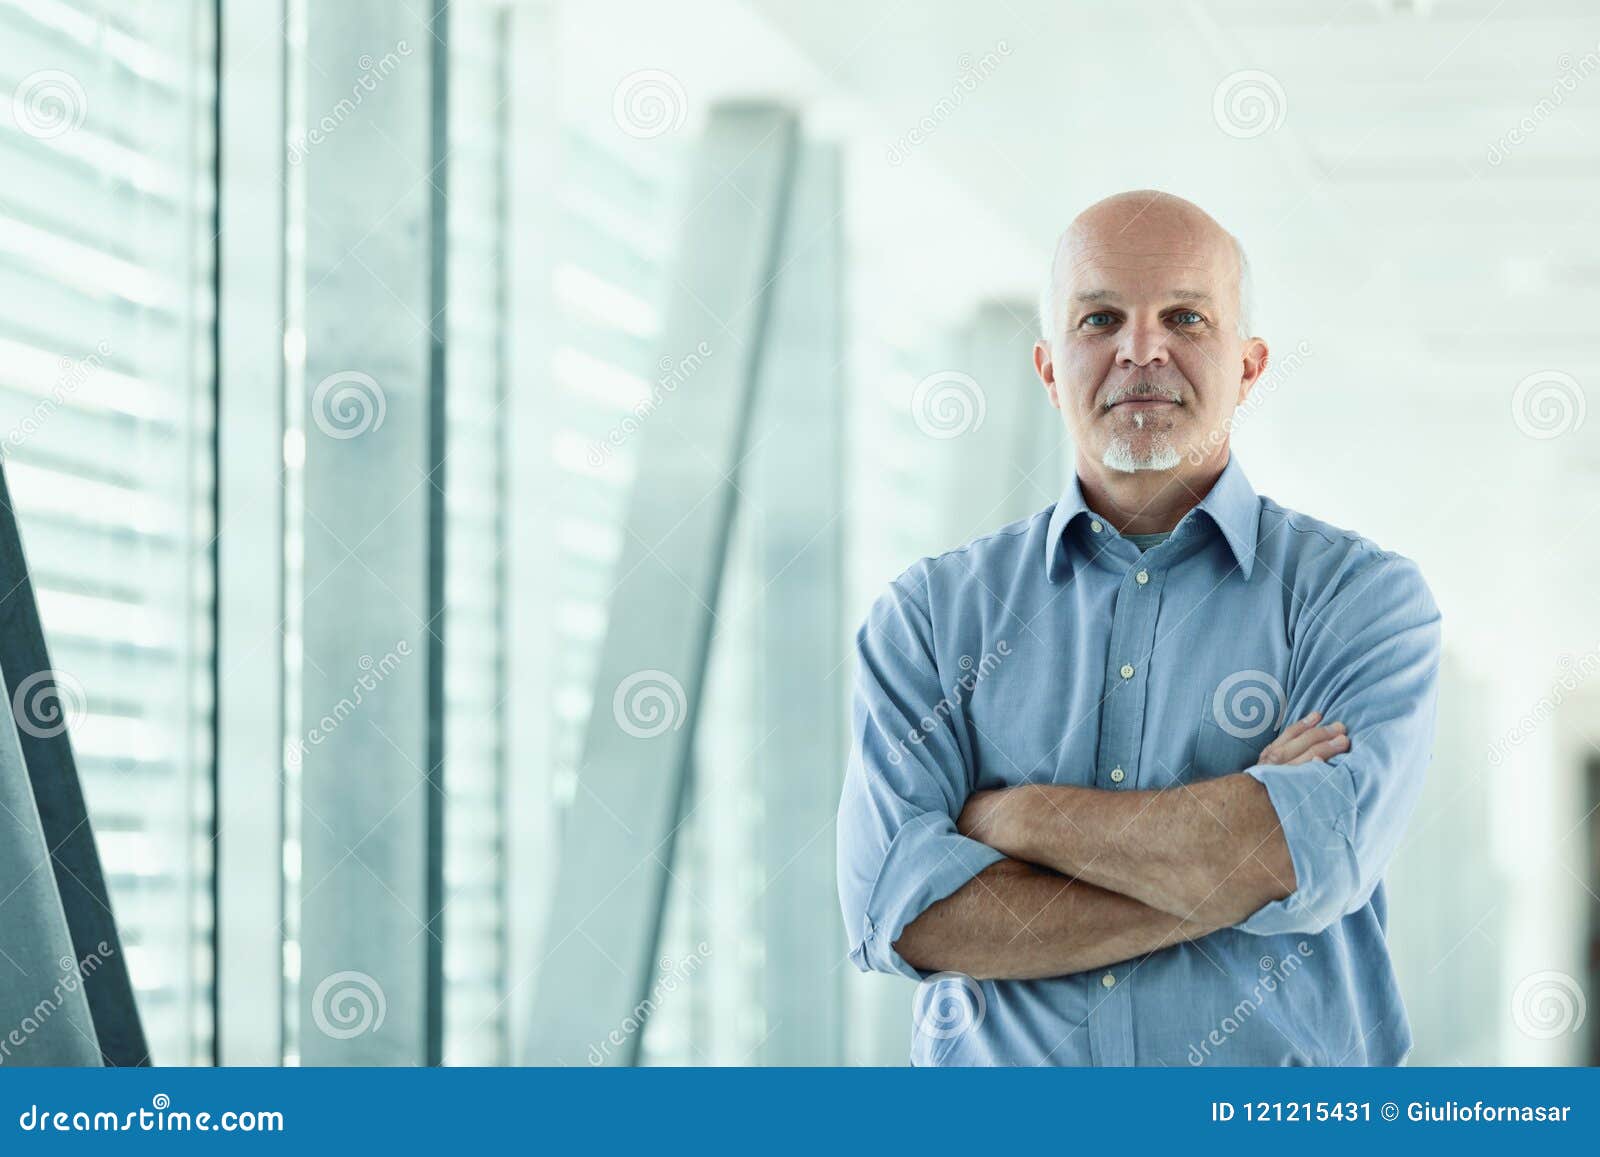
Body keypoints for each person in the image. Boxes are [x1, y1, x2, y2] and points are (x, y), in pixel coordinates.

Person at [835, 190, 1442, 1066]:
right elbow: (906, 909)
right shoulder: (929, 618)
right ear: (1049, 369)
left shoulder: (1359, 600)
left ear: (1249, 366)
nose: (1142, 350)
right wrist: (1226, 863)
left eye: (1186, 317)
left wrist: (1016, 817)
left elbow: (1313, 862)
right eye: (1101, 318)